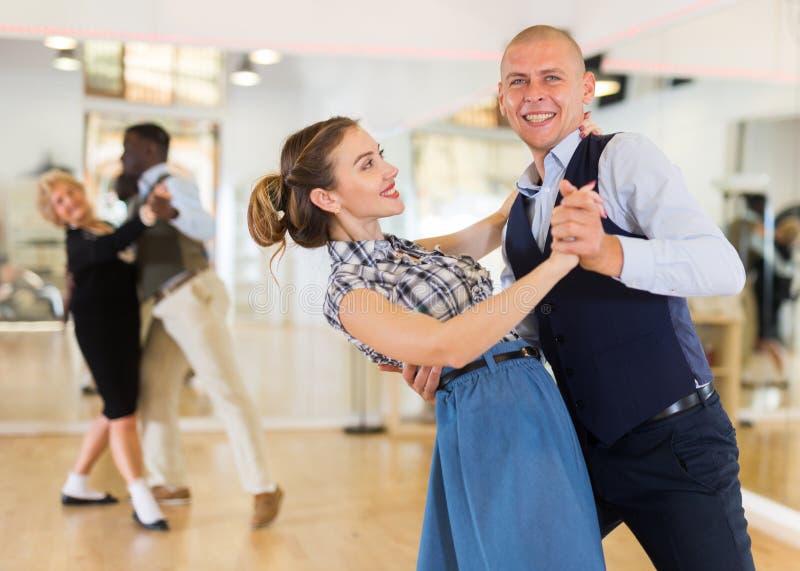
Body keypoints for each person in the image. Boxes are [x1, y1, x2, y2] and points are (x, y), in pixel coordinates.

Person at [407, 25, 754, 570]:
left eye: (552, 78)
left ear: (586, 89)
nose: (534, 94)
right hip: (573, 448)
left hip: (675, 447)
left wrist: (611, 253)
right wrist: (450, 357)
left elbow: (724, 268)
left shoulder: (625, 158)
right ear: (502, 99)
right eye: (518, 82)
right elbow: (525, 326)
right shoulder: (519, 211)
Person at [247, 116, 607, 570]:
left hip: (532, 393)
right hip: (492, 412)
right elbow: (449, 346)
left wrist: (562, 149)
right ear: (327, 197)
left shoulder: (406, 250)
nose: (389, 169)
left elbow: (498, 223)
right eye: (367, 164)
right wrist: (560, 263)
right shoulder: (349, 293)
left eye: (381, 154)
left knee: (563, 551)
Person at [119, 123, 282, 529]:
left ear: (152, 149)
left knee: (225, 388)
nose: (124, 155)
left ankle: (264, 487)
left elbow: (206, 228)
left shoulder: (174, 184)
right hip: (164, 307)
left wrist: (172, 212)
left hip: (191, 296)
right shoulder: (138, 191)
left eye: (130, 148)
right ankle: (168, 481)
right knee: (154, 390)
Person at [37, 169, 172, 531]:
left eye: (71, 193)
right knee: (123, 415)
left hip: (124, 328)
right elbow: (109, 249)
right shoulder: (79, 240)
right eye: (60, 202)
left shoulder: (103, 228)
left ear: (82, 192)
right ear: (56, 215)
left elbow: (124, 266)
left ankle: (76, 483)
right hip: (99, 333)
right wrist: (144, 218)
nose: (70, 203)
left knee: (115, 409)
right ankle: (141, 497)